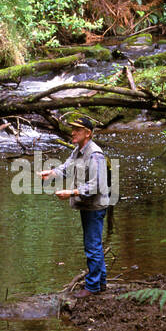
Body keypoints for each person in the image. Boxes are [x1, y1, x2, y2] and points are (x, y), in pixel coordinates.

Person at [39, 115, 110, 297]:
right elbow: (67, 167)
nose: (73, 132)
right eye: (73, 129)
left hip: (95, 207)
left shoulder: (95, 155)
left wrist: (71, 193)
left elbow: (96, 185)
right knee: (94, 245)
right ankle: (100, 284)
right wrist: (52, 173)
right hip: (88, 205)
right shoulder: (78, 150)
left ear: (88, 133)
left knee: (92, 246)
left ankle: (93, 287)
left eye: (77, 130)